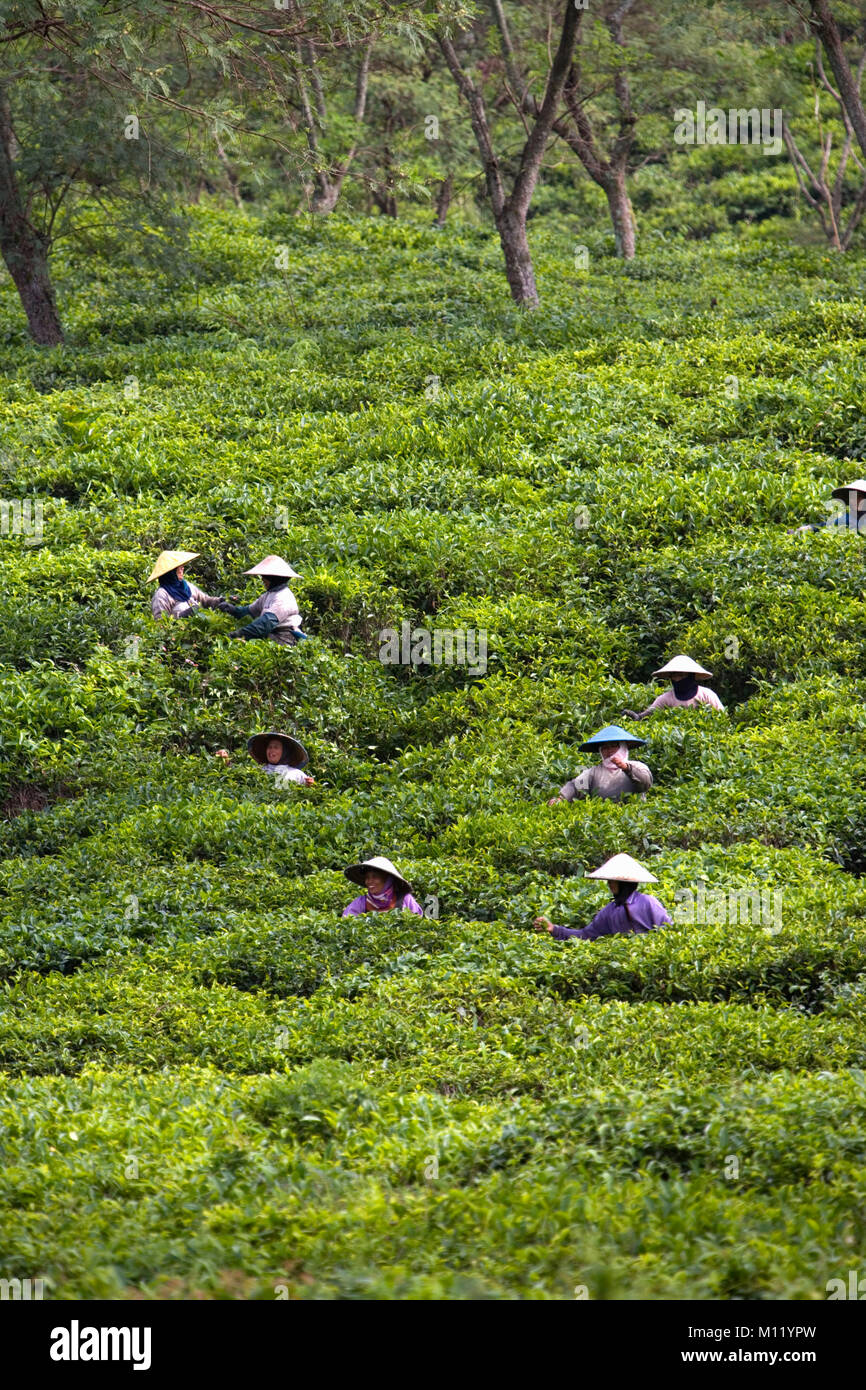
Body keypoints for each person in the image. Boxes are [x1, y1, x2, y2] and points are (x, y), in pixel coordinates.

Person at [533, 853, 671, 941]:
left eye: (612, 880)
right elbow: (586, 935)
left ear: (624, 883)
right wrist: (554, 929)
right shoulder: (610, 911)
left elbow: (668, 931)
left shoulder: (647, 903)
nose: (609, 884)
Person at [549, 724, 652, 805]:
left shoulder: (638, 766)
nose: (609, 751)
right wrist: (561, 799)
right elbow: (575, 786)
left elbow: (645, 783)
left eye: (613, 746)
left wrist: (627, 768)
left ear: (623, 747)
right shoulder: (593, 772)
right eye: (605, 748)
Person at [217, 556, 307, 644]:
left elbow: (264, 625)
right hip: (272, 635)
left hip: (284, 639)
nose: (262, 579)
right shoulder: (269, 595)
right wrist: (232, 609)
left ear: (274, 579)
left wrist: (237, 635)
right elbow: (249, 611)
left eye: (265, 577)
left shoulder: (283, 598)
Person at [623, 655, 724, 720]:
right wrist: (637, 716)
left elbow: (722, 718)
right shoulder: (665, 699)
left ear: (690, 676)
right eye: (674, 676)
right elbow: (649, 713)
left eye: (681, 675)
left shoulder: (706, 695)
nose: (676, 679)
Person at [149, 550, 225, 620]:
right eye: (179, 566)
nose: (182, 568)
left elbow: (206, 600)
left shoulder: (187, 587)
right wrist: (181, 615)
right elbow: (160, 622)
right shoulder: (161, 595)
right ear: (171, 572)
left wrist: (222, 600)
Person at [341, 856, 424, 917]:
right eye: (367, 878)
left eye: (375, 876)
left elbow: (417, 924)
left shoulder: (405, 899)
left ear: (387, 879)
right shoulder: (361, 903)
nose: (369, 881)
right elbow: (346, 923)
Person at [791, 479, 866, 534]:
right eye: (852, 498)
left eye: (858, 497)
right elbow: (826, 525)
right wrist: (806, 528)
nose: (853, 501)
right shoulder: (848, 518)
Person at [247, 731, 314, 786]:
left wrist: (310, 784)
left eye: (276, 747)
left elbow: (309, 792)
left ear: (284, 752)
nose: (271, 750)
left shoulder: (297, 774)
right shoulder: (259, 772)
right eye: (269, 747)